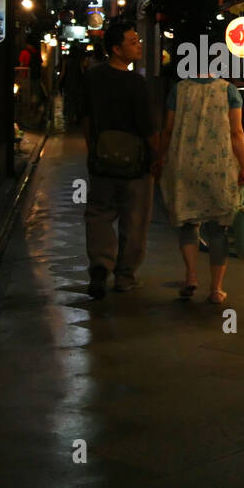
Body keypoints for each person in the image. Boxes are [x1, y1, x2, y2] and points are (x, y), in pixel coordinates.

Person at [156, 65, 244, 304]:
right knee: (218, 229)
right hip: (218, 167)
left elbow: (167, 129)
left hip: (183, 165)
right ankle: (216, 289)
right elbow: (236, 132)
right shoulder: (229, 91)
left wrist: (161, 157)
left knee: (188, 223)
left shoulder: (179, 89)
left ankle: (190, 276)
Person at [82, 20, 160, 299]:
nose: (139, 45)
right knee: (135, 219)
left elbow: (86, 117)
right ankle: (125, 276)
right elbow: (149, 126)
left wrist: (92, 149)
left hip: (103, 158)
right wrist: (156, 157)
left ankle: (101, 264)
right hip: (135, 163)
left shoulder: (93, 78)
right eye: (133, 42)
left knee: (99, 214)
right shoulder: (135, 83)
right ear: (116, 49)